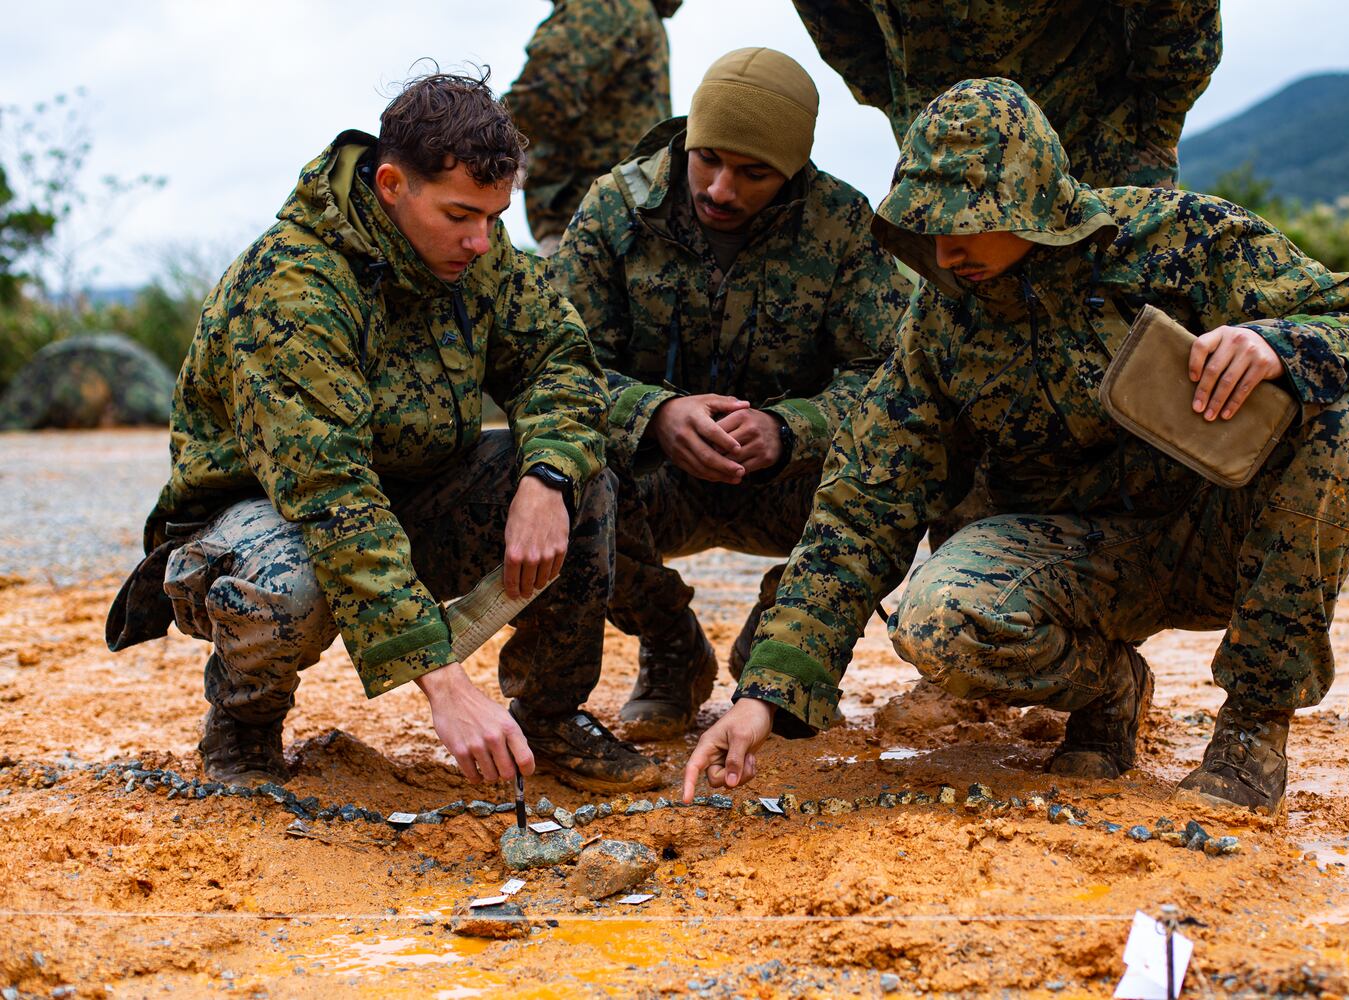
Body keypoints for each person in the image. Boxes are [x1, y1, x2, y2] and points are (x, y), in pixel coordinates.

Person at [684, 78, 1349, 814]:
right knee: (939, 619)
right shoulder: (941, 322)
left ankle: (1253, 729)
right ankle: (1110, 687)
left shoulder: (1181, 241)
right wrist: (767, 695)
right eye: (930, 224)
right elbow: (865, 501)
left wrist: (1278, 343)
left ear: (1031, 202)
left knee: (1336, 424)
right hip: (1077, 563)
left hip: (1219, 539)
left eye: (968, 221)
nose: (947, 248)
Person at [106, 69, 664, 796]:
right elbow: (331, 493)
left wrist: (549, 476)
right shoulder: (292, 285)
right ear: (393, 184)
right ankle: (243, 726)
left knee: (583, 485)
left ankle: (549, 717)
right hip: (261, 521)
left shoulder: (478, 255)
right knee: (289, 585)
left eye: (495, 217)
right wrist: (444, 684)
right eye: (462, 215)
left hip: (412, 497)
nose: (481, 240)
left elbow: (558, 357)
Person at [549, 48, 909, 740]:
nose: (720, 188)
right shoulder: (614, 210)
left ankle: (785, 654)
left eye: (754, 173)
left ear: (794, 169)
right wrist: (653, 414)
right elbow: (558, 366)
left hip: (789, 483)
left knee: (907, 470)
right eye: (706, 157)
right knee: (550, 469)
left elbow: (890, 380)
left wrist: (790, 427)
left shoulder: (841, 226)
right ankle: (672, 648)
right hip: (655, 482)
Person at [791, 0, 1221, 188]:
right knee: (960, 350)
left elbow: (1181, 14)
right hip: (943, 162)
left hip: (1090, 149)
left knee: (1126, 346)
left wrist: (1150, 128)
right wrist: (905, 113)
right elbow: (835, 24)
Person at [505, 0, 682, 256]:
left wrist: (472, 140)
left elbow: (545, 93)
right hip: (614, 220)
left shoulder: (602, 5)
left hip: (590, 225)